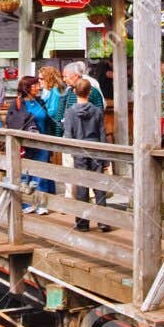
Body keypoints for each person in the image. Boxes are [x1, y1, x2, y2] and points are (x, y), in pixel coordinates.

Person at [63, 78, 109, 231]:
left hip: (79, 150)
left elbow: (68, 135)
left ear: (74, 92)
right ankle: (103, 221)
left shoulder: (70, 112)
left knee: (82, 186)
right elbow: (103, 135)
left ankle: (82, 222)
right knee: (99, 185)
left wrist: (72, 153)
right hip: (96, 149)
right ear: (90, 92)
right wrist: (105, 158)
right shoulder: (97, 111)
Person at [8, 74, 55, 205]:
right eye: (35, 85)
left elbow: (48, 121)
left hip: (42, 142)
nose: (38, 87)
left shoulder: (40, 102)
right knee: (24, 173)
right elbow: (11, 122)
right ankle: (26, 203)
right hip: (25, 144)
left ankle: (41, 203)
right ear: (27, 87)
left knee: (40, 174)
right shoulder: (17, 104)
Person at [38, 65, 67, 134]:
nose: (39, 80)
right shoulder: (47, 90)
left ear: (48, 79)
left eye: (41, 79)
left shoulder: (55, 91)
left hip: (52, 127)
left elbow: (53, 111)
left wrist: (39, 114)